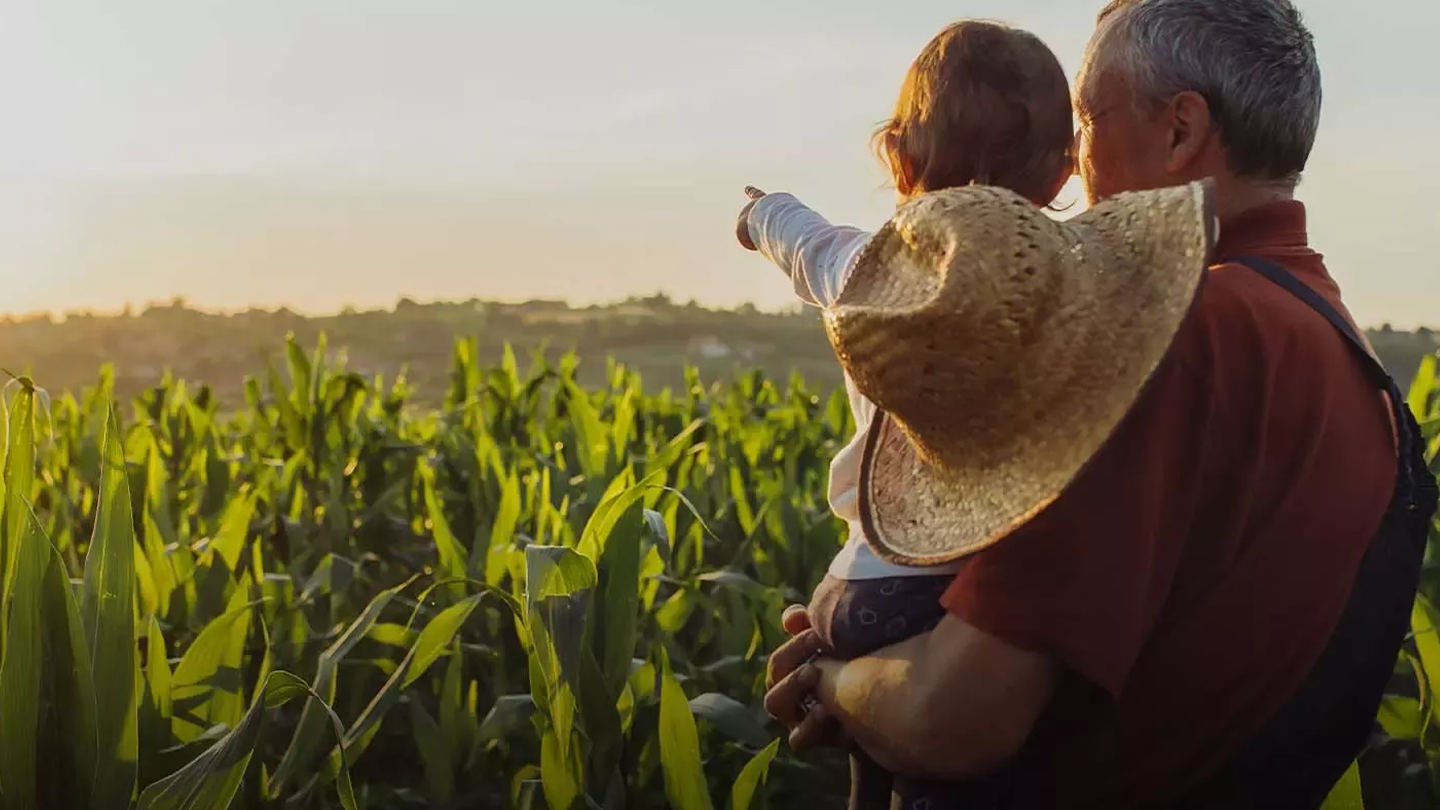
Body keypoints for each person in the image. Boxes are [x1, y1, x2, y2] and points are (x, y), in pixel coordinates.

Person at [758, 1, 1439, 809]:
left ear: (1180, 131)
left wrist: (836, 682)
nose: (1073, 170)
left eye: (1085, 120)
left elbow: (956, 713)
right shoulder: (1344, 353)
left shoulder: (1164, 342)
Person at [736, 19, 1076, 809]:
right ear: (1065, 171)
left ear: (898, 157)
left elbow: (805, 242)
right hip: (949, 606)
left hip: (859, 585)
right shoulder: (1065, 299)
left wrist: (761, 215)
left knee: (869, 779)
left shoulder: (864, 266)